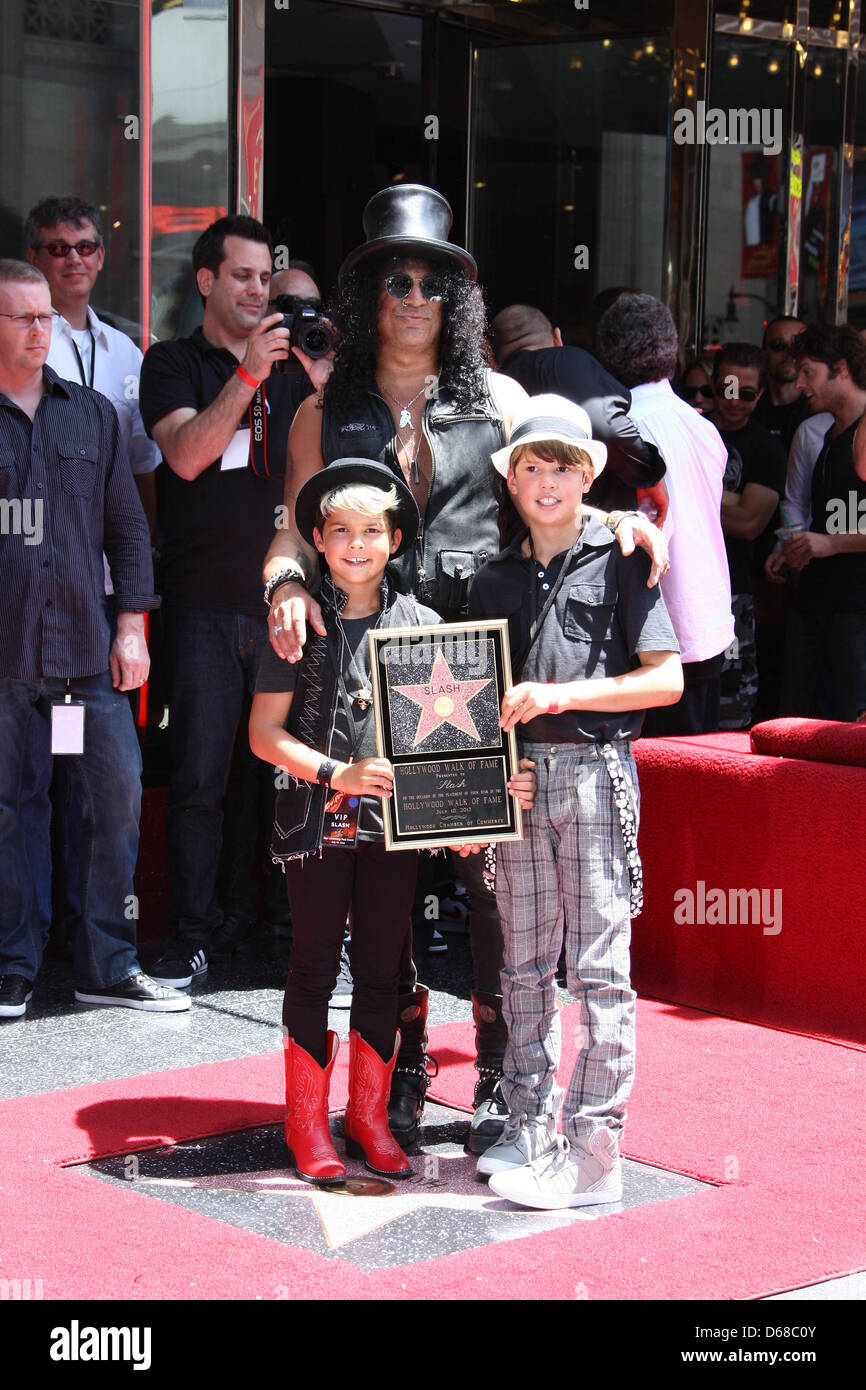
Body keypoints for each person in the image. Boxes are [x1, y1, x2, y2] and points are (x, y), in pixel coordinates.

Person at [262, 184, 668, 1152]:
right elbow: (289, 521)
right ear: (369, 296)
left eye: (431, 282)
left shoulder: (506, 402)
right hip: (363, 674)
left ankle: (495, 1070)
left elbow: (562, 490)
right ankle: (396, 1055)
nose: (412, 297)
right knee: (385, 883)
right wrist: (283, 579)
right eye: (394, 280)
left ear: (455, 298)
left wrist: (620, 521)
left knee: (489, 879)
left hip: (475, 675)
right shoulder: (325, 411)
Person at [249, 458, 535, 1181]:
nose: (354, 544)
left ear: (395, 539)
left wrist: (476, 802)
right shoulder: (296, 623)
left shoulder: (426, 628)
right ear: (316, 538)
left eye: (370, 531)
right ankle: (306, 1125)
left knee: (383, 971)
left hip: (394, 831)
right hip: (315, 821)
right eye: (340, 531)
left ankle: (369, 1117)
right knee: (313, 966)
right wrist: (334, 772)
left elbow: (455, 742)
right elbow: (263, 734)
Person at [468, 396, 682, 1208]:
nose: (545, 479)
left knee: (598, 968)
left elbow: (667, 679)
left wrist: (560, 698)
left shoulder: (625, 555)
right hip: (522, 786)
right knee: (521, 965)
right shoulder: (493, 576)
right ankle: (529, 1124)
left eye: (562, 464)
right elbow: (472, 699)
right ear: (511, 480)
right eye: (530, 465)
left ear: (587, 475)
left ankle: (596, 1148)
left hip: (596, 770)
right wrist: (493, 772)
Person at [138, 215, 331, 989]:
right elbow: (184, 457)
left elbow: (339, 467)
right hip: (204, 607)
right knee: (200, 783)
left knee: (293, 777)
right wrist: (248, 373)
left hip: (290, 606)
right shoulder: (175, 361)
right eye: (244, 276)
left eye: (266, 277)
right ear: (208, 280)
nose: (259, 290)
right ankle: (193, 934)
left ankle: (293, 932)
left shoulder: (297, 368)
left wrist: (325, 380)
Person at [0, 259, 187, 1017]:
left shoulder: (93, 415)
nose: (41, 330)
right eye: (22, 317)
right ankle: (15, 964)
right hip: (6, 665)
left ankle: (106, 965)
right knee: (11, 808)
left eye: (46, 316)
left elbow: (126, 529)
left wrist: (133, 624)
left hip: (84, 658)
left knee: (108, 804)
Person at [594, 292, 733, 735]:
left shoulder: (623, 432)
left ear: (606, 352)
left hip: (656, 645)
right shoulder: (701, 424)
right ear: (672, 350)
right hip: (706, 625)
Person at [491, 303, 669, 523]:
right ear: (557, 337)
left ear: (492, 354)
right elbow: (608, 427)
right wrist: (647, 474)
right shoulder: (568, 362)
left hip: (519, 540)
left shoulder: (493, 389)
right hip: (589, 534)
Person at [772, 325, 866, 720]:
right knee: (796, 716)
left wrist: (830, 543)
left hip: (857, 606)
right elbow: (817, 510)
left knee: (852, 723)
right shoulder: (827, 431)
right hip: (817, 598)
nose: (801, 383)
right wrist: (794, 549)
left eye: (809, 371)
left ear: (841, 369)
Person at [708, 343, 786, 728]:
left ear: (763, 392)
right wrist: (731, 499)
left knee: (732, 702)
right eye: (727, 389)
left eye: (747, 393)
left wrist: (698, 495)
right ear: (712, 384)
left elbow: (749, 523)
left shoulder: (767, 449)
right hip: (678, 579)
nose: (735, 401)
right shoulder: (692, 430)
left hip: (735, 587)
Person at [752, 316, 810, 451]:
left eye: (798, 347)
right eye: (778, 345)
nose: (789, 354)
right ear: (764, 352)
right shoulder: (747, 405)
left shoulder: (820, 411)